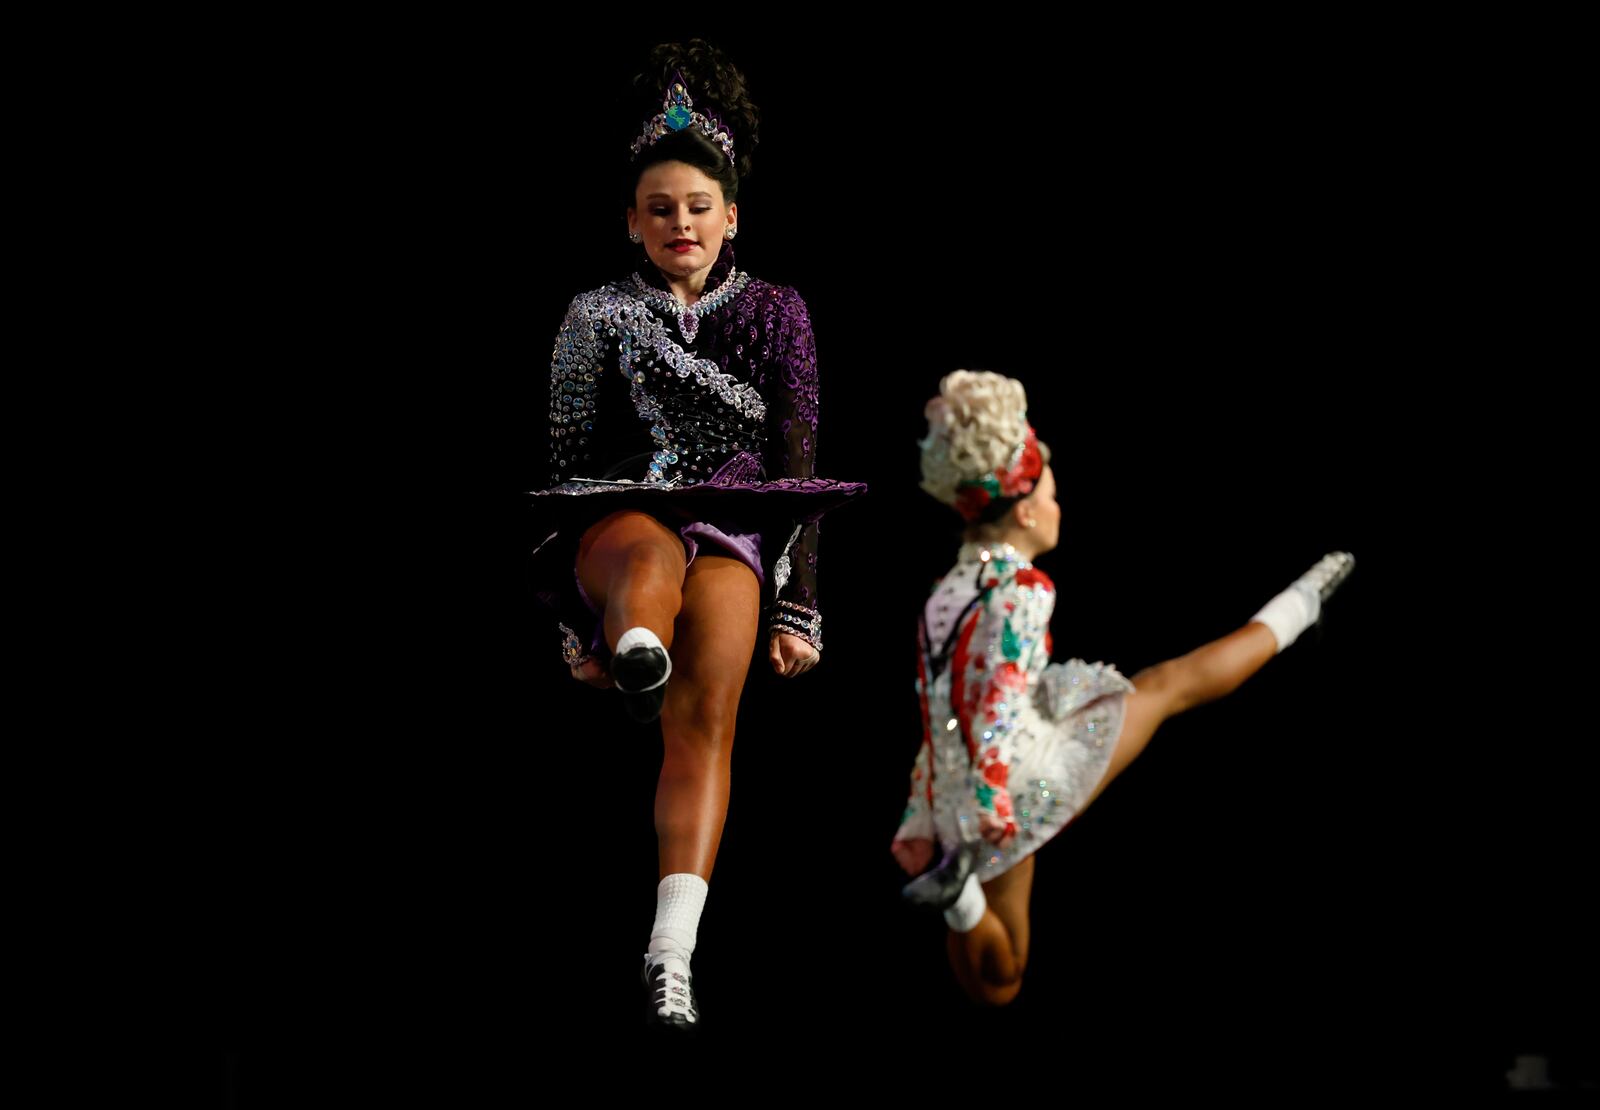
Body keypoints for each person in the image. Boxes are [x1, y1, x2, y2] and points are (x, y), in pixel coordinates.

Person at [531, 40, 864, 1028]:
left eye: (698, 207)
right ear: (631, 221)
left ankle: (670, 950)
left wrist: (800, 605)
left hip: (737, 529)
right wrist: (565, 618)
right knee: (649, 553)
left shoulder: (777, 312)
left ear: (731, 217)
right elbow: (563, 462)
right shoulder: (594, 314)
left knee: (709, 703)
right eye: (661, 207)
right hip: (614, 525)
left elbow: (800, 461)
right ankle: (632, 644)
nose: (681, 222)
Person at [890, 370, 1352, 1006]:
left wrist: (927, 806)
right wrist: (992, 798)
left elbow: (937, 702)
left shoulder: (946, 593)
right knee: (1169, 689)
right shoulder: (1023, 590)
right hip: (1010, 779)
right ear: (1024, 511)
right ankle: (1302, 605)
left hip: (953, 786)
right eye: (1051, 494)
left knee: (988, 977)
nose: (1059, 505)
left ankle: (960, 897)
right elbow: (994, 699)